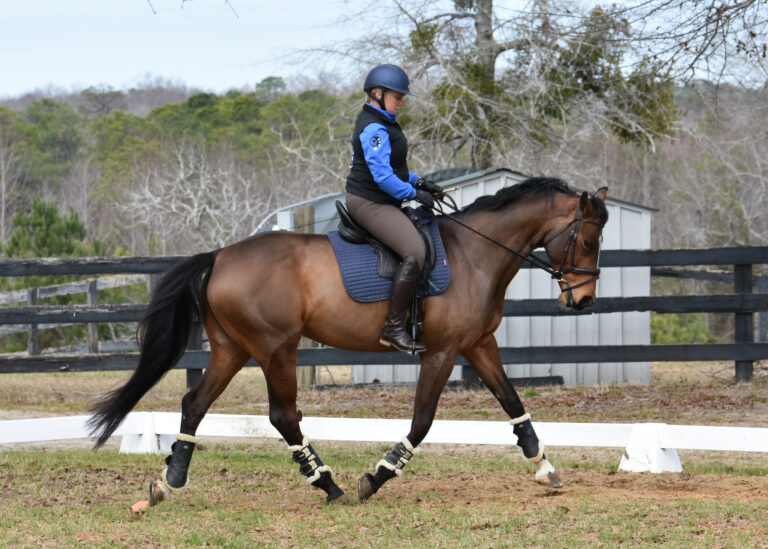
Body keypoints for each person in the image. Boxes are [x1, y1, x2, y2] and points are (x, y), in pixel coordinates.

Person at [345, 63, 443, 354]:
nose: (402, 101)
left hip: (381, 198)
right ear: (377, 93)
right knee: (415, 252)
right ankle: (393, 328)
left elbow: (395, 168)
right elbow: (383, 177)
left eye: (402, 96)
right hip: (369, 202)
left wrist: (421, 181)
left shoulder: (383, 121)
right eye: (397, 95)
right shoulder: (374, 127)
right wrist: (413, 194)